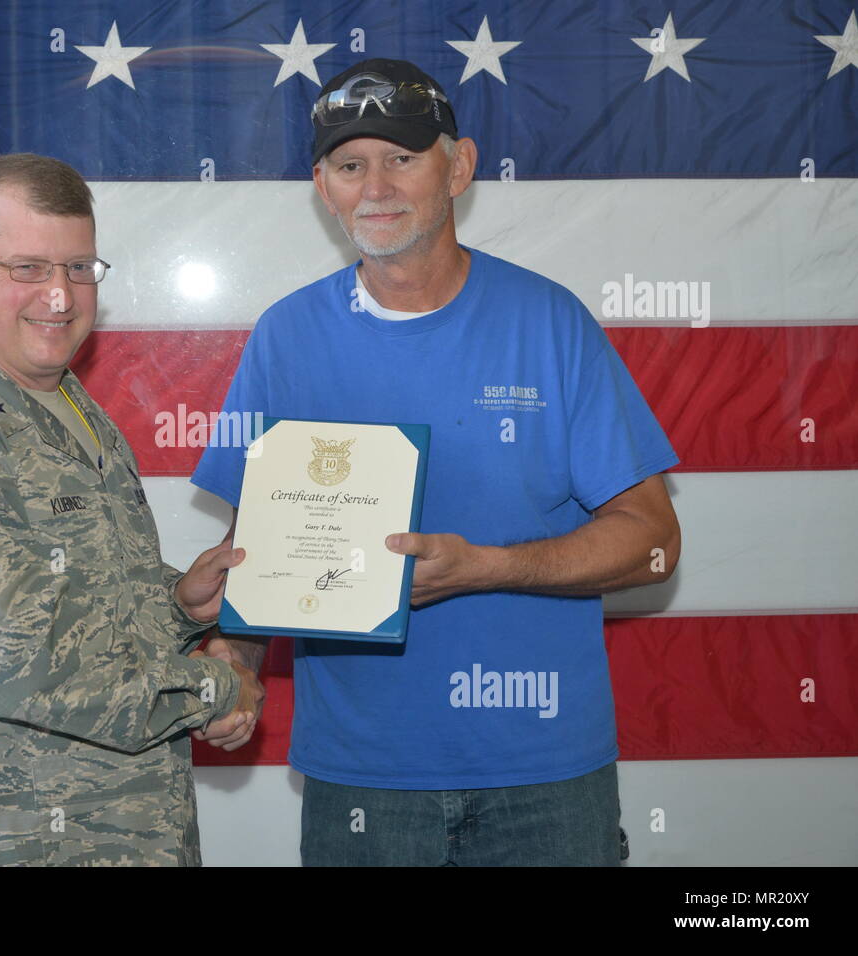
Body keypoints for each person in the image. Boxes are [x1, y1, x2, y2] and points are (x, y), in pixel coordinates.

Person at [192, 59, 681, 866]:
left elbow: (654, 540)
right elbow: (265, 553)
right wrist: (236, 666)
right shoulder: (286, 336)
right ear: (323, 186)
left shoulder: (551, 323)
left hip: (544, 770)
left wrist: (486, 566)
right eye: (351, 165)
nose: (376, 185)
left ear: (458, 166)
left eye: (403, 157)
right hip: (363, 777)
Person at [0, 153, 264, 866]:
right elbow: (31, 664)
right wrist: (216, 685)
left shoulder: (71, 407)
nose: (61, 297)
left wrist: (178, 607)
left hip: (124, 835)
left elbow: (78, 606)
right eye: (28, 269)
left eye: (79, 269)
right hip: (0, 842)